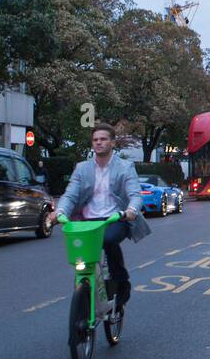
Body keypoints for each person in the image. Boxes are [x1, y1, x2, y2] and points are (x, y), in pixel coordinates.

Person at [50, 124, 151, 315]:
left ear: (112, 142)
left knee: (108, 239)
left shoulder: (125, 167)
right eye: (95, 140)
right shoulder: (82, 168)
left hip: (115, 218)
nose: (98, 143)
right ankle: (86, 289)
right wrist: (60, 211)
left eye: (103, 139)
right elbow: (70, 194)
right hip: (87, 221)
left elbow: (135, 194)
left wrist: (130, 210)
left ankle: (121, 282)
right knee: (80, 250)